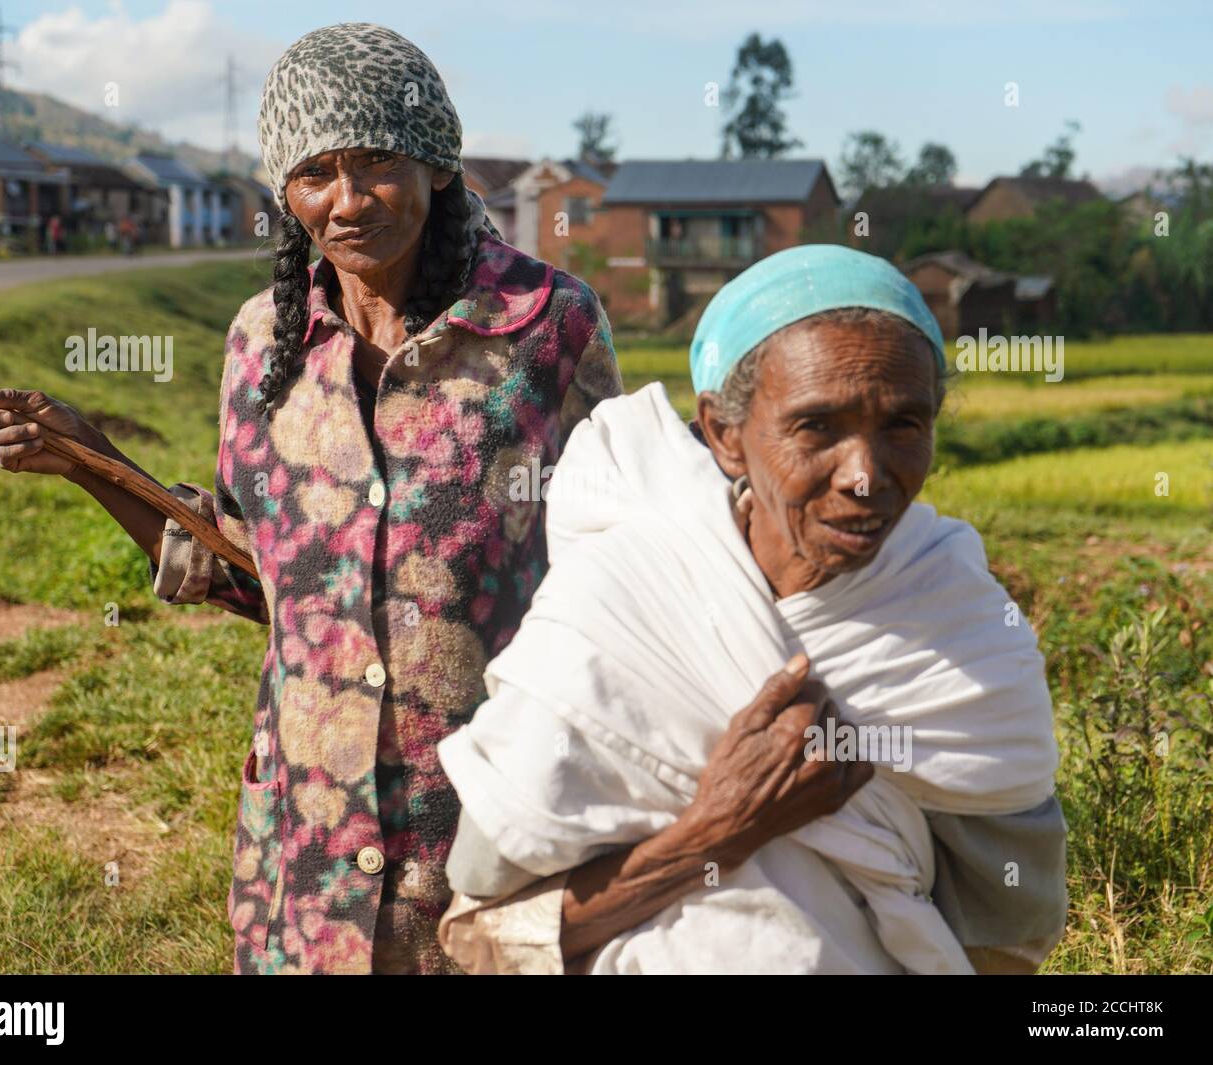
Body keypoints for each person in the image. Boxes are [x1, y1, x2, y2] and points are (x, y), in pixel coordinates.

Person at [0, 22, 623, 974]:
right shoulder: (263, 344)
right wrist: (89, 457)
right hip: (307, 858)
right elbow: (254, 575)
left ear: (435, 162)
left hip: (488, 834)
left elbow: (625, 560)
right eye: (315, 173)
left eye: (377, 162)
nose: (347, 201)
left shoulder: (548, 327)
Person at [436, 245, 1068, 974]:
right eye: (817, 427)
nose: (865, 475)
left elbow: (1005, 941)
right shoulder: (614, 608)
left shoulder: (962, 630)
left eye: (903, 425)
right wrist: (717, 830)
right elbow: (483, 930)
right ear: (725, 435)